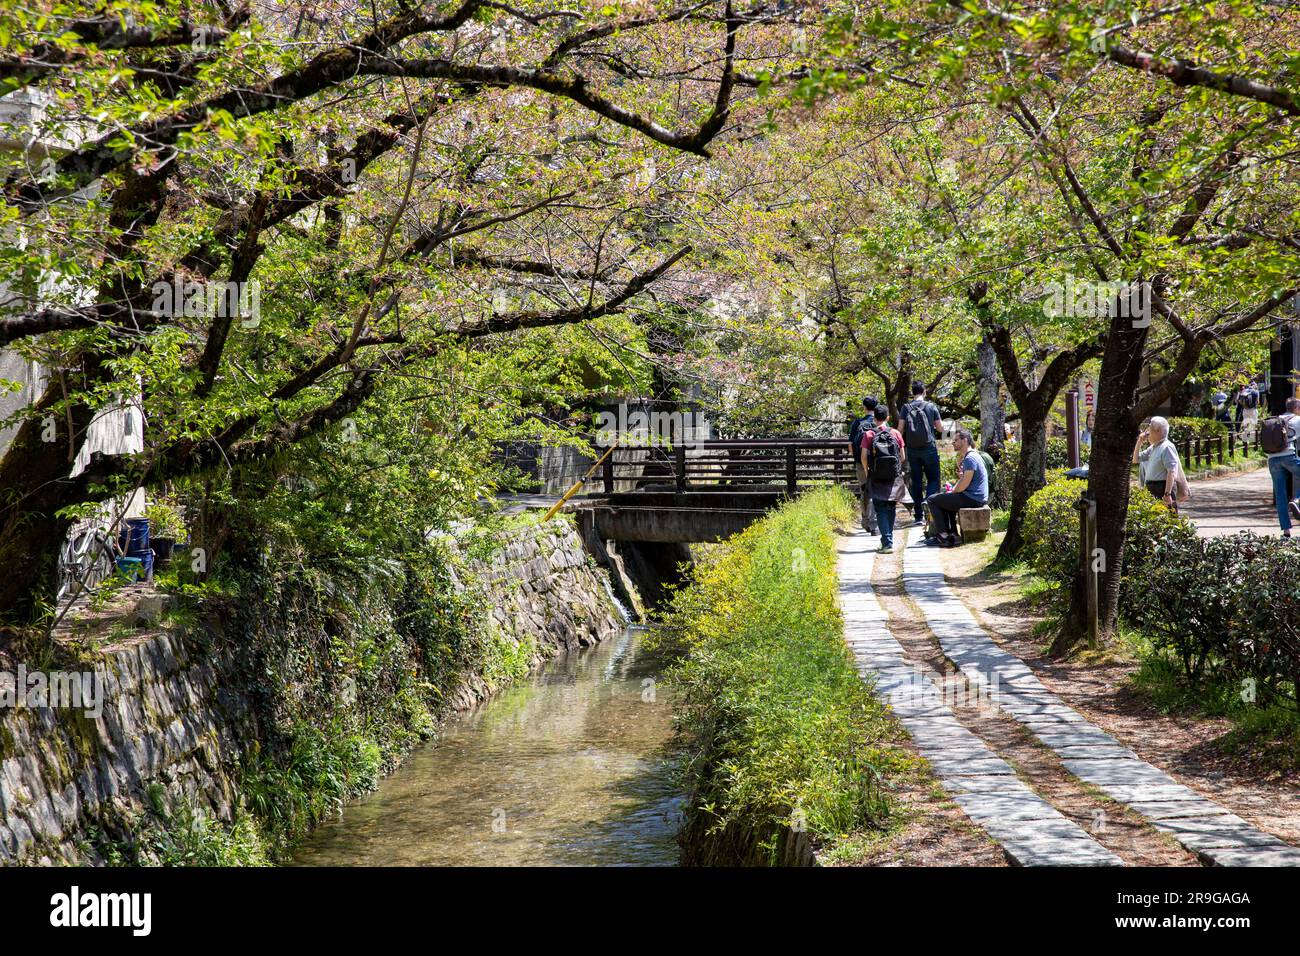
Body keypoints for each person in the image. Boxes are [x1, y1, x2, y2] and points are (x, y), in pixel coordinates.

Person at [925, 427, 988, 548]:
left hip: (974, 498)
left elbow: (964, 483)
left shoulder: (970, 458)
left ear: (964, 440)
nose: (953, 443)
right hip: (975, 496)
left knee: (932, 499)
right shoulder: (972, 456)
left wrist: (953, 491)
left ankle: (943, 536)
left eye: (956, 440)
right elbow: (966, 479)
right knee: (946, 500)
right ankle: (953, 534)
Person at [861, 406, 912, 553]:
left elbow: (864, 456)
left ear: (874, 418)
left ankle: (887, 543)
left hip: (876, 476)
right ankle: (887, 541)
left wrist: (868, 471)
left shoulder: (869, 434)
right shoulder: (895, 433)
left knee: (880, 508)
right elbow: (902, 457)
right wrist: (893, 468)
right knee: (890, 507)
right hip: (893, 477)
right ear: (888, 418)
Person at [901, 381, 943, 525]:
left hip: (912, 449)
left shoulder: (906, 408)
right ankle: (929, 505)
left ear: (913, 392)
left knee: (916, 482)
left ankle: (918, 516)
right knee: (933, 478)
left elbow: (900, 429)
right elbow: (940, 429)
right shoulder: (931, 406)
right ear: (924, 391)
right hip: (929, 448)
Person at [1262, 397, 1300, 538]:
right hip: (1289, 457)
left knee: (1280, 495)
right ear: (1296, 408)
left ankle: (1286, 531)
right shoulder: (1297, 420)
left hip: (1272, 459)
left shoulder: (1275, 420)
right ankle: (1297, 500)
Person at [1133, 416, 1183, 513]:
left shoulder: (1167, 447)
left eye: (1149, 429)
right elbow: (1136, 459)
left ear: (1158, 431)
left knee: (1168, 519)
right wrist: (1139, 442)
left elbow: (1171, 471)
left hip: (1162, 487)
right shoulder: (1154, 447)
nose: (1147, 433)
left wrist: (1167, 494)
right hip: (1151, 487)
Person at [848, 396, 879, 534]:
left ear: (864, 407)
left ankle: (866, 521)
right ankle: (875, 522)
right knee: (877, 491)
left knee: (864, 491)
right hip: (879, 463)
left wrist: (857, 458)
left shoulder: (857, 423)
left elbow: (850, 446)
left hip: (861, 462)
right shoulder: (880, 422)